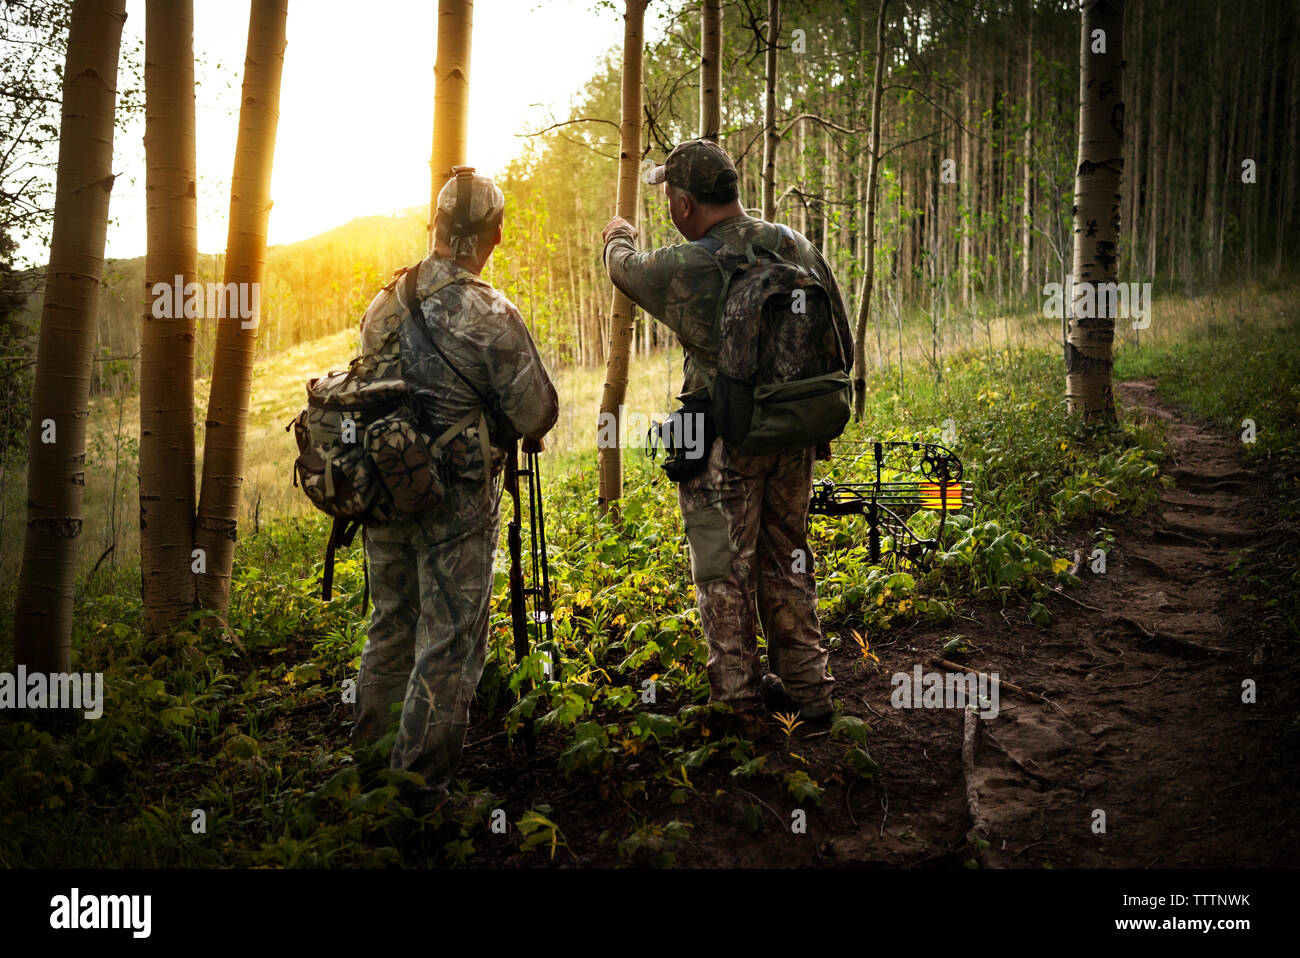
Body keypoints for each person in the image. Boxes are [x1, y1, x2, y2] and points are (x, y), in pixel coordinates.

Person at [601, 138, 851, 739]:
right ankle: (809, 691)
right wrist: (818, 423)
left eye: (669, 197)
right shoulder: (796, 245)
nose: (669, 207)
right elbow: (836, 333)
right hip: (793, 433)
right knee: (788, 557)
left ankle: (737, 704)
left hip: (725, 444)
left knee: (724, 571)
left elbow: (626, 271)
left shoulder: (691, 264)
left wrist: (617, 233)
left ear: (684, 205)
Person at [352, 168, 558, 801]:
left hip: (384, 491)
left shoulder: (382, 303)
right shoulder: (490, 311)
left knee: (390, 626)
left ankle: (373, 776)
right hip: (459, 501)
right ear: (494, 234)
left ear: (435, 226)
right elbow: (537, 412)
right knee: (449, 639)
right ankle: (418, 795)